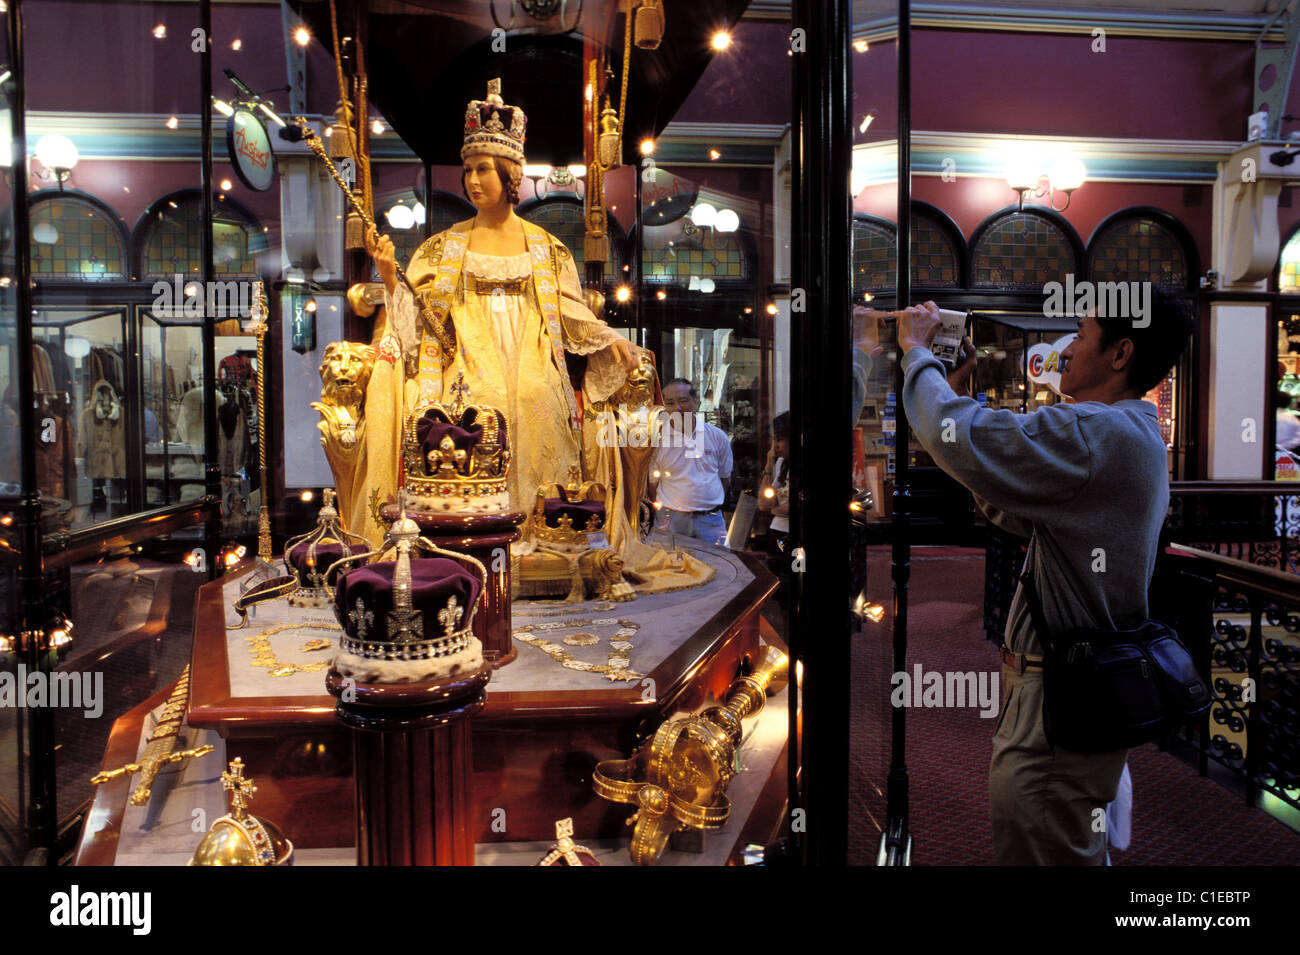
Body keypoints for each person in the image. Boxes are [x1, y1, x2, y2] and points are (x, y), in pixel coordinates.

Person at [897, 287, 1194, 865]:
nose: (1066, 352)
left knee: (1043, 848)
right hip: (1071, 690)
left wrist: (916, 352)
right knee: (1070, 845)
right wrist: (955, 398)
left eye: (1081, 336)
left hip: (1059, 699)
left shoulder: (1098, 432)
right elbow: (1012, 502)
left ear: (1119, 353)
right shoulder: (1128, 431)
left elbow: (965, 436)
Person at [366, 79, 638, 519]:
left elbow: (569, 310)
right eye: (468, 170)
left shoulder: (547, 248)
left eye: (484, 170)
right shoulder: (440, 249)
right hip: (467, 369)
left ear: (510, 174)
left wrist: (609, 339)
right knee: (474, 422)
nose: (473, 181)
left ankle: (545, 536)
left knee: (538, 407)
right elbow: (415, 327)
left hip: (532, 367)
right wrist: (389, 278)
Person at [649, 378, 732, 545]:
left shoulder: (716, 436)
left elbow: (725, 478)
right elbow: (652, 484)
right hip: (670, 521)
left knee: (717, 567)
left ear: (696, 401)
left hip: (710, 521)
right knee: (669, 568)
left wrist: (705, 503)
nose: (677, 408)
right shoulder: (656, 441)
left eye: (683, 401)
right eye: (670, 403)